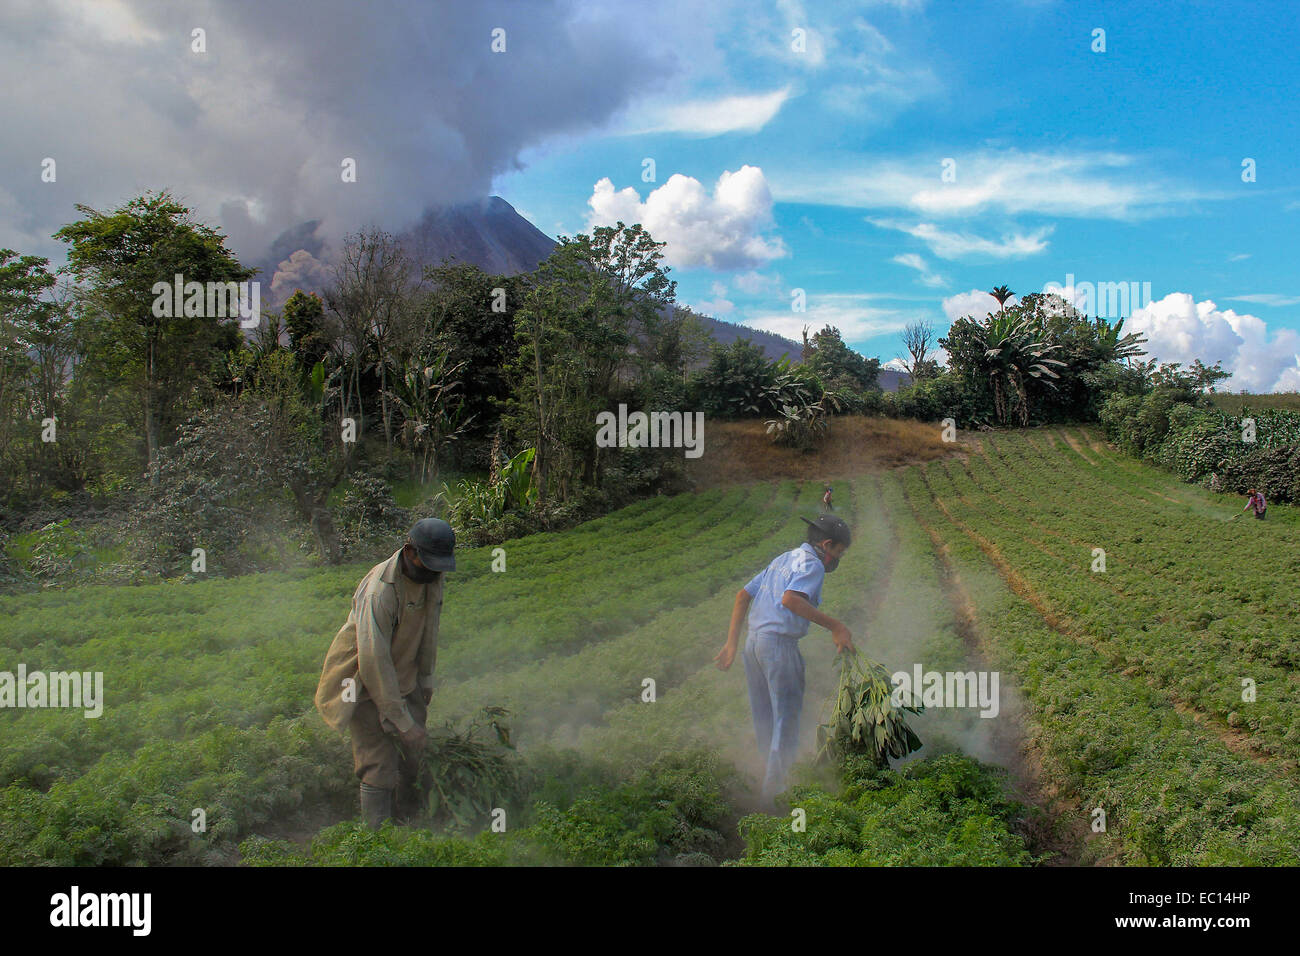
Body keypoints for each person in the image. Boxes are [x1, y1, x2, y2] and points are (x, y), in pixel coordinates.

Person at [314, 517, 456, 829]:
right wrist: (403, 722)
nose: (434, 571)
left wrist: (426, 679)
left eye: (439, 566)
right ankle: (376, 838)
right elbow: (374, 662)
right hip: (363, 679)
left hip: (403, 671)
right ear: (409, 551)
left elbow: (429, 629)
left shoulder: (432, 577)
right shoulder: (380, 592)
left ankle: (409, 819)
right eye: (429, 563)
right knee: (378, 759)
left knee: (413, 751)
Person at [713, 513, 855, 804]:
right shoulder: (813, 564)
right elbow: (791, 599)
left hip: (753, 646)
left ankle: (764, 781)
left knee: (764, 719)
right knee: (786, 723)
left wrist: (731, 645)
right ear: (827, 544)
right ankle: (775, 798)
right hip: (778, 647)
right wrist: (837, 626)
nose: (838, 558)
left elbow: (742, 596)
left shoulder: (783, 558)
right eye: (839, 551)